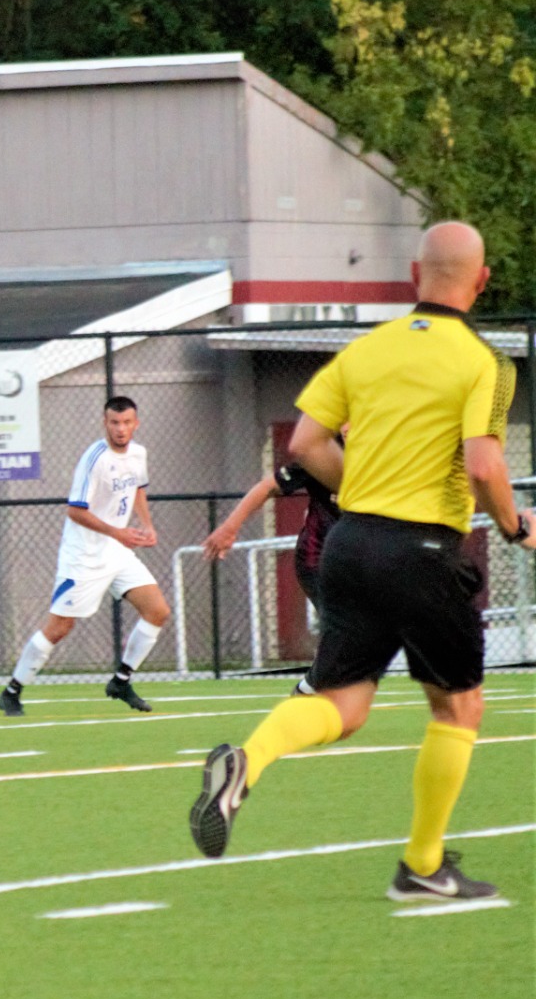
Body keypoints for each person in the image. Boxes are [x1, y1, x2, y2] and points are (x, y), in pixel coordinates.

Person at [190, 222, 534, 902]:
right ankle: (422, 866)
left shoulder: (365, 349)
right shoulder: (485, 363)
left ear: (414, 275)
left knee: (343, 704)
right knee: (459, 707)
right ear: (483, 280)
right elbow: (484, 465)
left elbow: (305, 444)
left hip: (350, 545)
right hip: (425, 551)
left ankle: (248, 759)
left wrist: (365, 491)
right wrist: (515, 525)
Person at [0, 396, 170, 717]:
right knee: (60, 627)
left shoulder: (138, 453)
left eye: (126, 422)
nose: (120, 429)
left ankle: (121, 682)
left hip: (117, 552)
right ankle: (12, 691)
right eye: (114, 423)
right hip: (84, 556)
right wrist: (118, 532)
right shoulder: (95, 459)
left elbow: (138, 489)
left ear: (136, 424)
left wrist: (147, 525)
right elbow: (75, 510)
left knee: (157, 611)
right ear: (105, 423)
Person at [203, 439, 343, 697]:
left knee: (361, 638)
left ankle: (311, 690)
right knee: (343, 631)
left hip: (356, 560)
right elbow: (268, 486)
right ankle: (308, 693)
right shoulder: (320, 455)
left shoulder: (380, 453)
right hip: (318, 559)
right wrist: (229, 527)